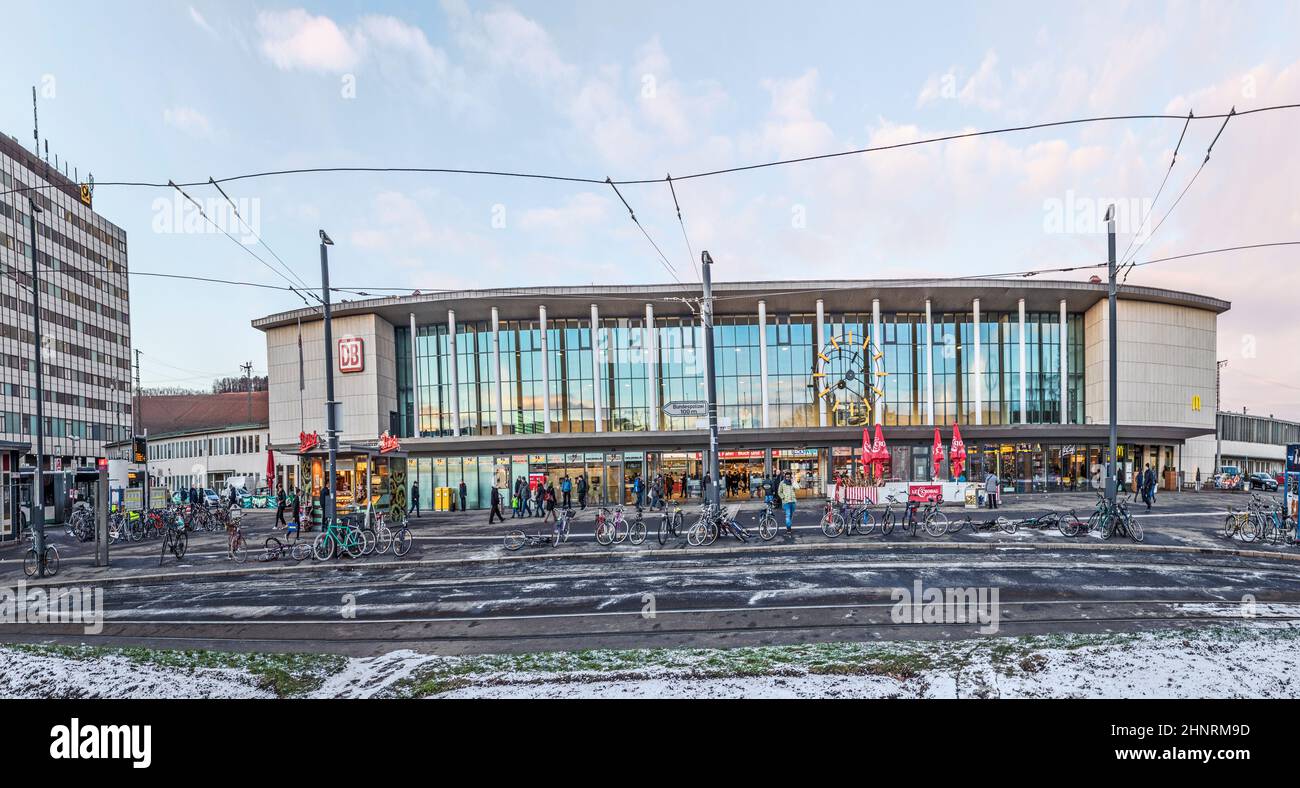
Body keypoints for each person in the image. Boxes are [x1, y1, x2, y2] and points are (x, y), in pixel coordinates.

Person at [777, 472, 797, 536]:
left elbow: (798, 488)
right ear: (785, 477)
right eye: (786, 477)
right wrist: (783, 498)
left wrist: (794, 481)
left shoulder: (792, 483)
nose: (787, 478)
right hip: (786, 502)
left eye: (789, 477)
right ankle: (788, 529)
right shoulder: (782, 483)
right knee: (788, 515)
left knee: (791, 516)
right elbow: (779, 492)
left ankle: (789, 526)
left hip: (793, 501)